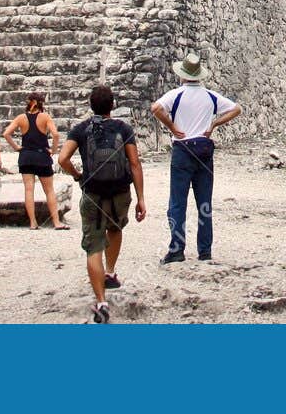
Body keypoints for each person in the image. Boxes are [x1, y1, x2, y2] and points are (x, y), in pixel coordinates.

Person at [56, 85, 145, 323]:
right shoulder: (123, 128)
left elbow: (62, 158)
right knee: (115, 228)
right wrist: (141, 198)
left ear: (90, 105)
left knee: (93, 245)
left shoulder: (81, 129)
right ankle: (110, 271)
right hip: (119, 192)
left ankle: (101, 301)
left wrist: (78, 175)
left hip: (92, 193)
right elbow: (135, 164)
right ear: (112, 105)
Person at [151, 51, 241, 264]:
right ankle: (205, 250)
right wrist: (214, 124)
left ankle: (177, 248)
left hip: (183, 149)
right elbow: (236, 109)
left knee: (177, 202)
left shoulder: (176, 95)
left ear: (182, 74)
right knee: (204, 202)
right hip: (203, 148)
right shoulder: (210, 96)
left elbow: (156, 108)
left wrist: (172, 127)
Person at [3, 92, 68, 230]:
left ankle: (33, 222)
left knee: (28, 190)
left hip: (26, 155)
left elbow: (6, 133)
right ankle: (56, 222)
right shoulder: (45, 117)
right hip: (42, 156)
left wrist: (16, 147)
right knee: (49, 190)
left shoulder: (21, 118)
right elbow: (55, 134)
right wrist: (53, 150)